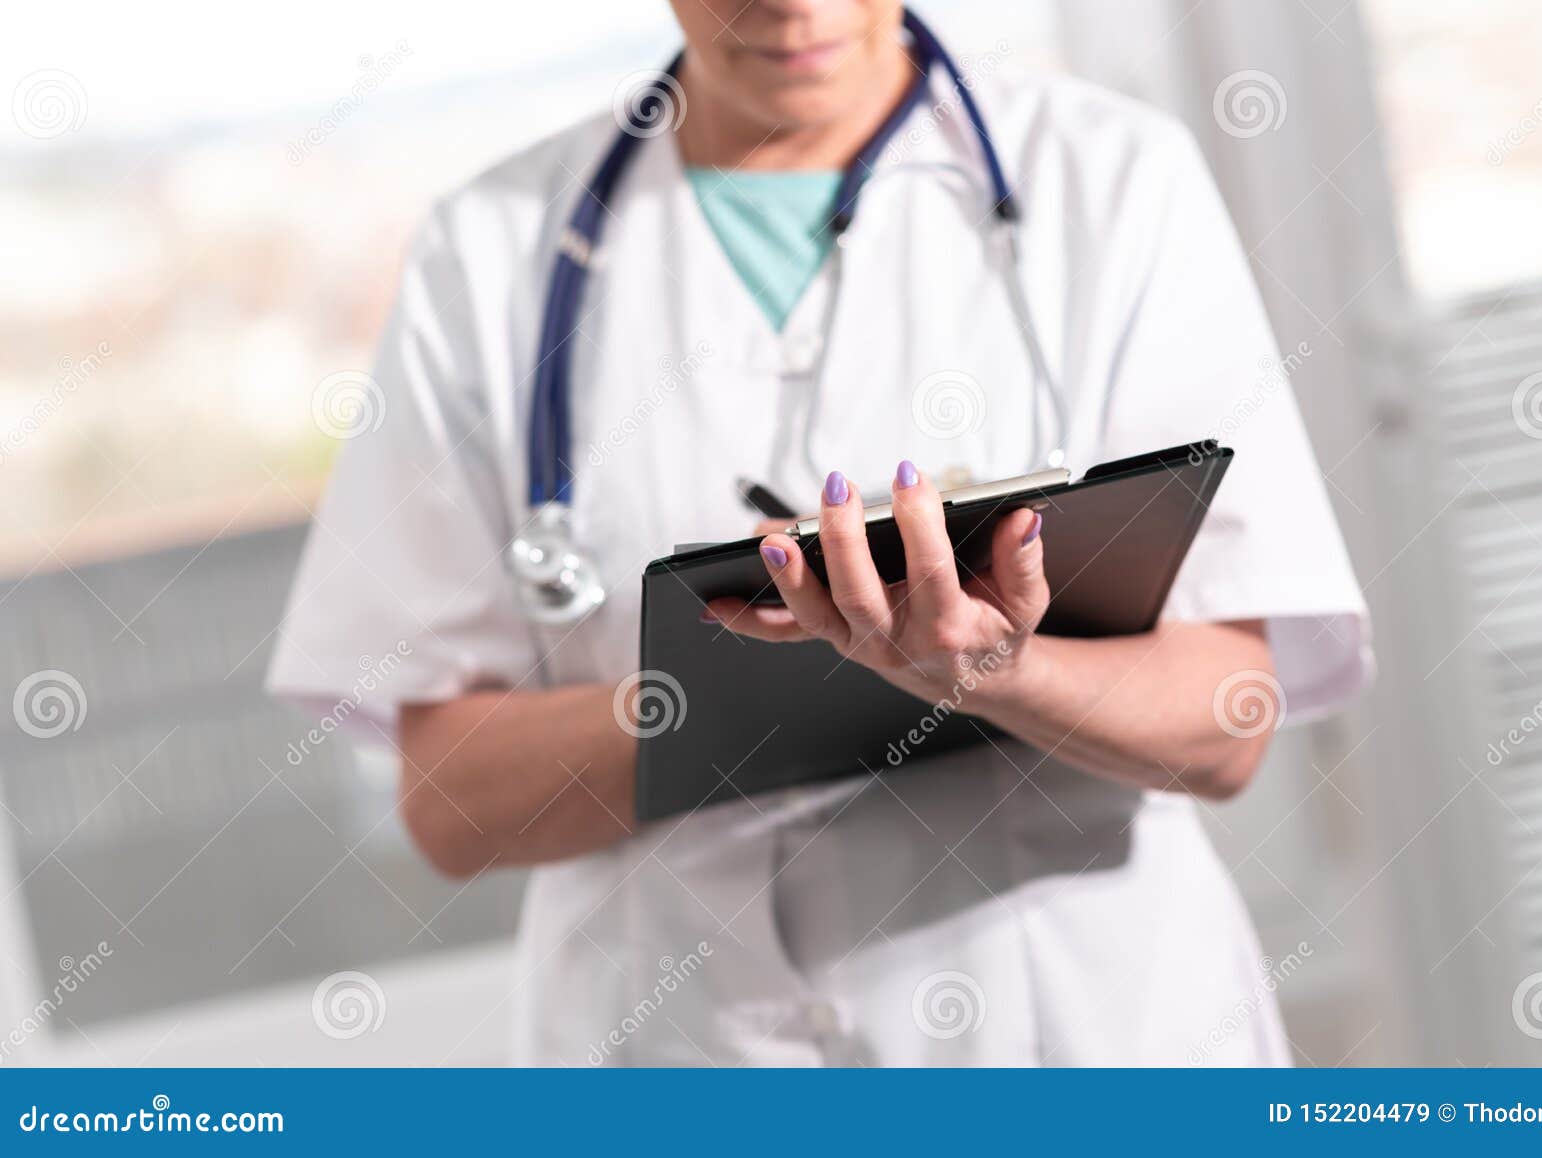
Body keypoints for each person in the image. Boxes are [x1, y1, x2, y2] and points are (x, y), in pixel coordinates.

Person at [269, 0, 1371, 1065]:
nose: (795, 7)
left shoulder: (1113, 178)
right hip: (682, 1052)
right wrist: (752, 688)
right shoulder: (492, 251)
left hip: (1066, 1037)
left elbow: (1227, 723)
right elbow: (457, 805)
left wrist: (993, 671)